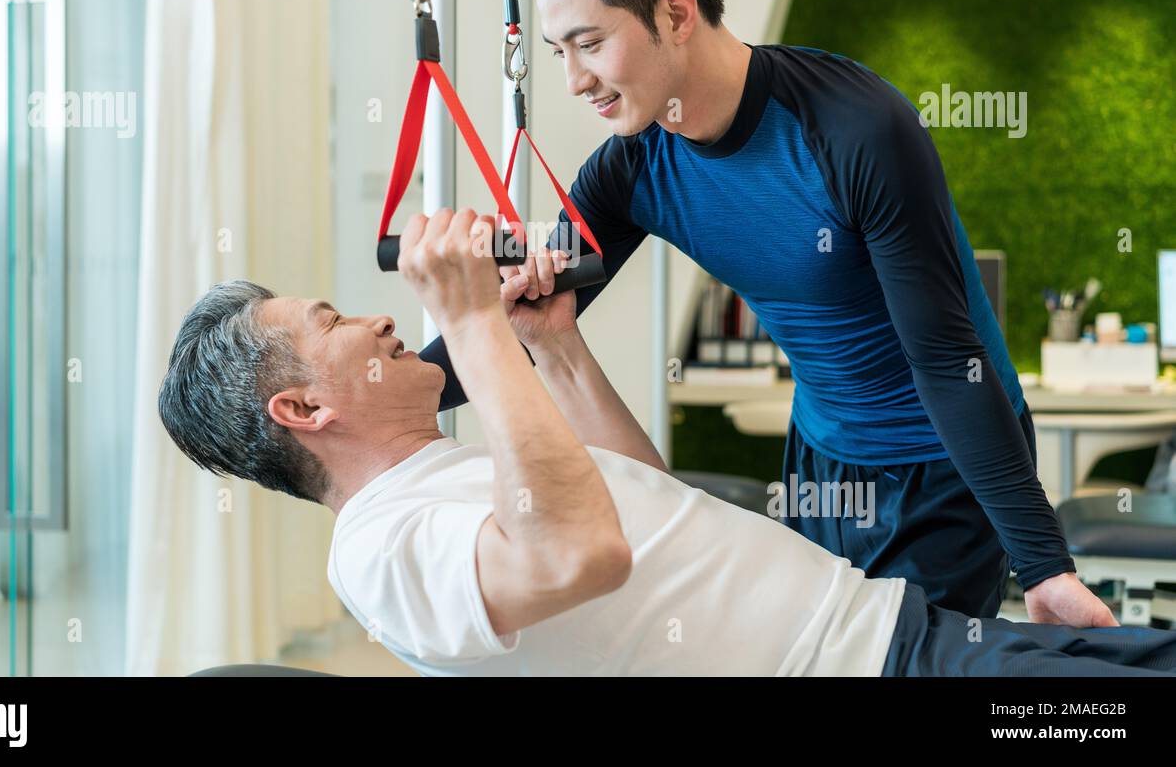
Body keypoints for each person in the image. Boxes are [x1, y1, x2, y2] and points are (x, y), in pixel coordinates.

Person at [416, 0, 1108, 627]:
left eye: (589, 43)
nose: (575, 79)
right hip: (818, 455)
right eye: (557, 51)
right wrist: (365, 405)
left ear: (676, 10)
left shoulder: (855, 131)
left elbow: (947, 360)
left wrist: (1044, 565)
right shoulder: (630, 168)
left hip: (942, 463)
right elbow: (522, 319)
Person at [156, 210, 1176, 676]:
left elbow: (642, 508)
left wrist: (551, 349)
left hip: (898, 633)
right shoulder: (376, 549)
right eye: (333, 322)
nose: (378, 322)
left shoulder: (443, 469)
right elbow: (577, 553)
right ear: (301, 411)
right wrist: (470, 323)